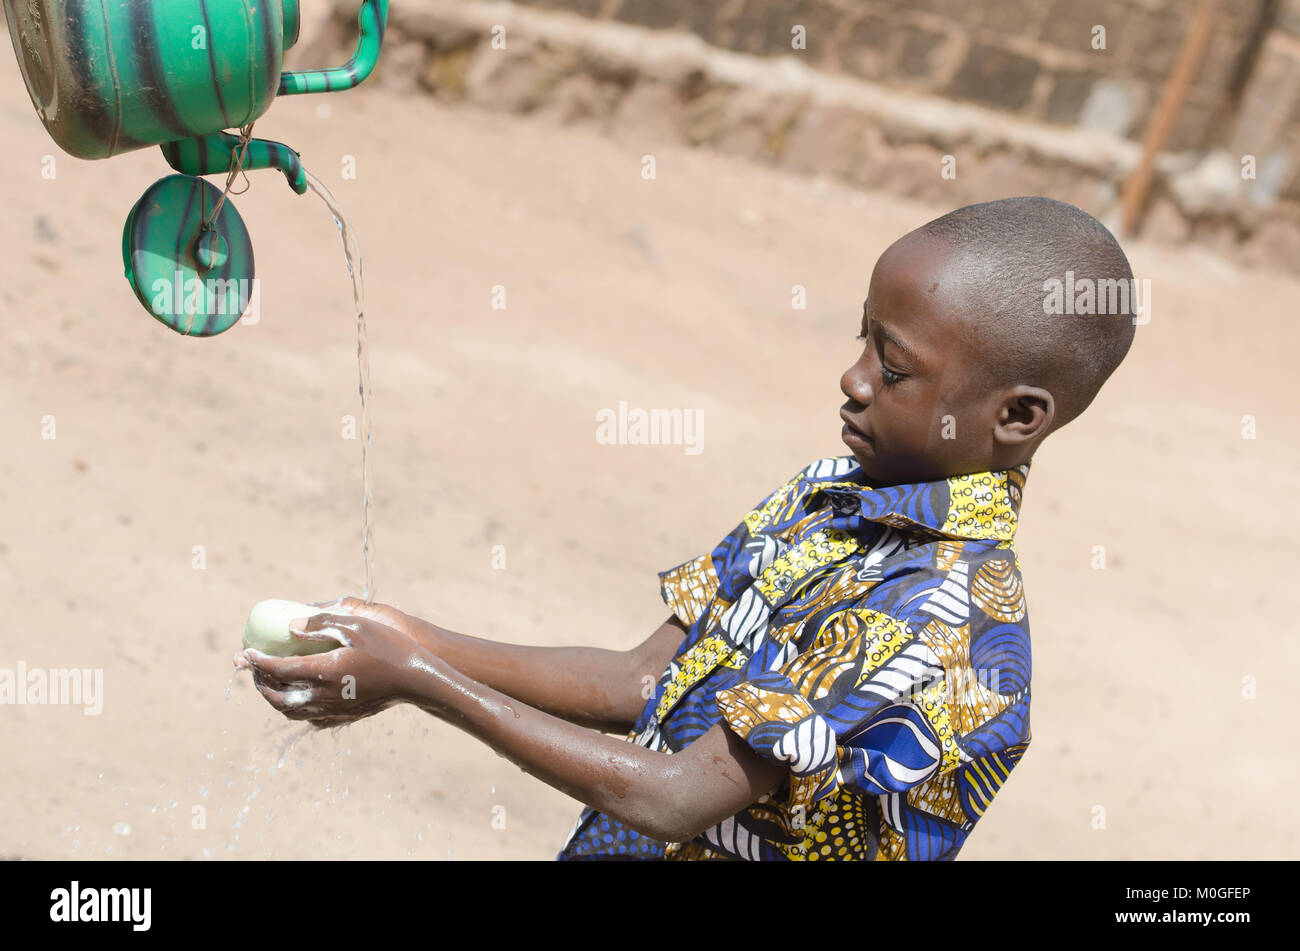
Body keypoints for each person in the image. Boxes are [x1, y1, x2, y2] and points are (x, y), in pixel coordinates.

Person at [237, 196, 1139, 860]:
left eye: (893, 367)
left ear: (1016, 417)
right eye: (864, 338)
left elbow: (676, 799)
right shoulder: (830, 497)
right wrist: (409, 637)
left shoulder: (944, 620)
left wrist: (421, 681)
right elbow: (641, 678)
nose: (852, 379)